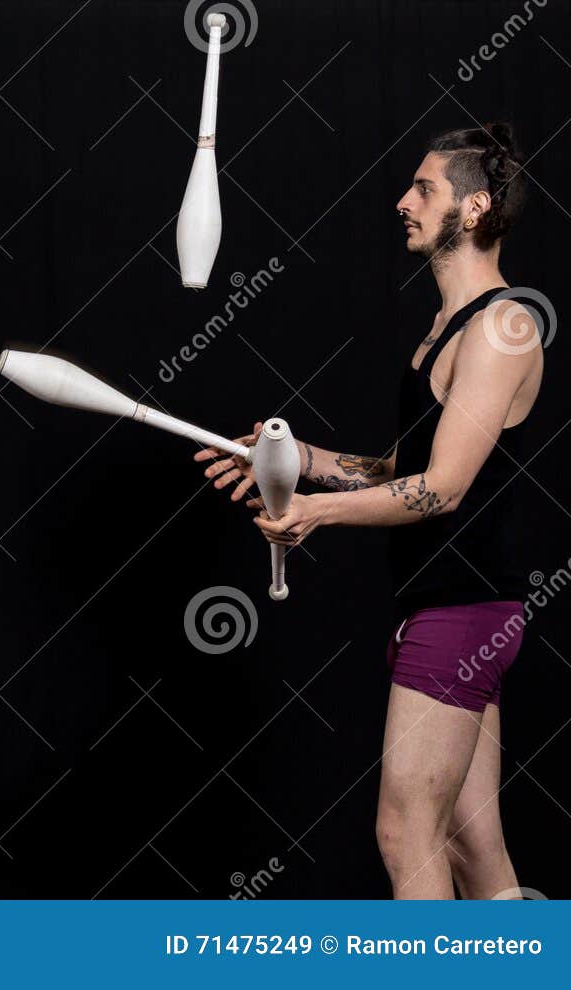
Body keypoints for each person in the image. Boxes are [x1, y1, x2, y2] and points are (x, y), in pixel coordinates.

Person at [196, 123, 543, 899]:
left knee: (403, 830)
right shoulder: (443, 332)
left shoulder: (501, 329)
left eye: (424, 189)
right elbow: (399, 471)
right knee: (470, 841)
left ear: (477, 207)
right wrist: (294, 460)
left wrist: (314, 514)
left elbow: (442, 490)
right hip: (450, 604)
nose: (402, 202)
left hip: (465, 608)